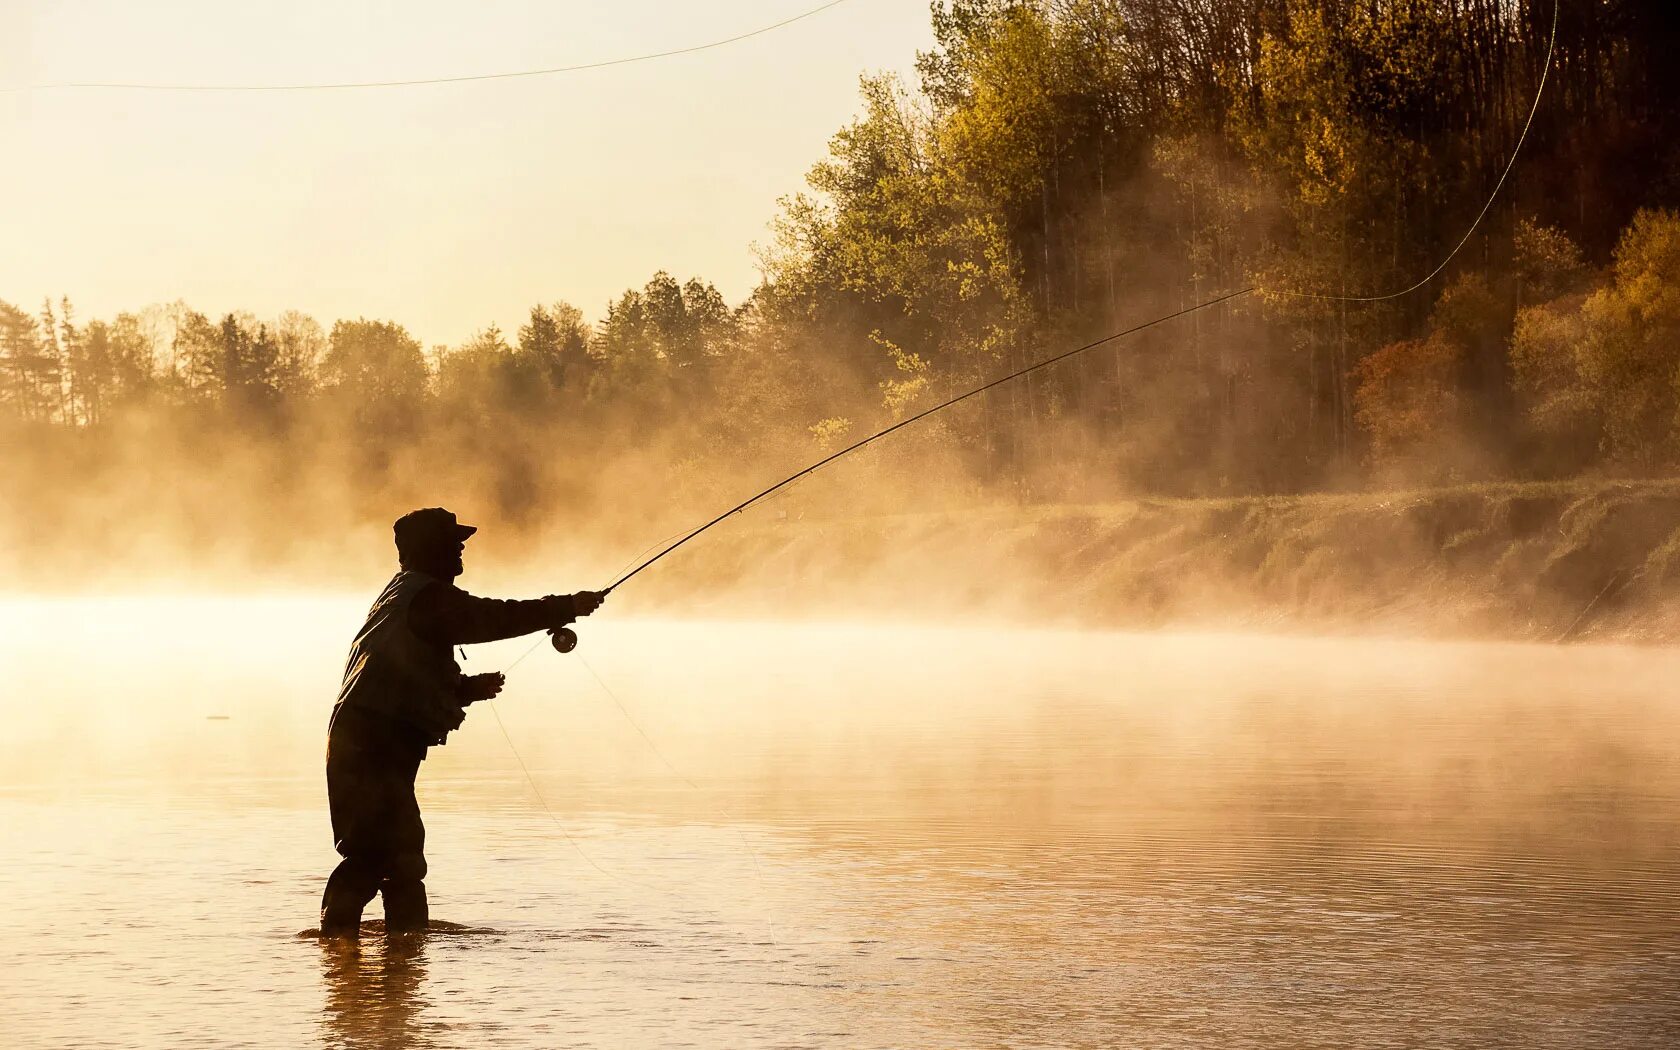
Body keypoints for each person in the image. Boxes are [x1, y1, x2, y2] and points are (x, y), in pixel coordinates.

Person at [319, 507, 604, 938]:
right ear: (428, 549)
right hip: (371, 744)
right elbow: (492, 618)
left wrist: (465, 689)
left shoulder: (404, 595)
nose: (461, 549)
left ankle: (394, 963)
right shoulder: (428, 597)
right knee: (379, 853)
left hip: (366, 741)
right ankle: (344, 950)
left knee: (397, 856)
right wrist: (563, 607)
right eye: (453, 543)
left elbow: (402, 675)